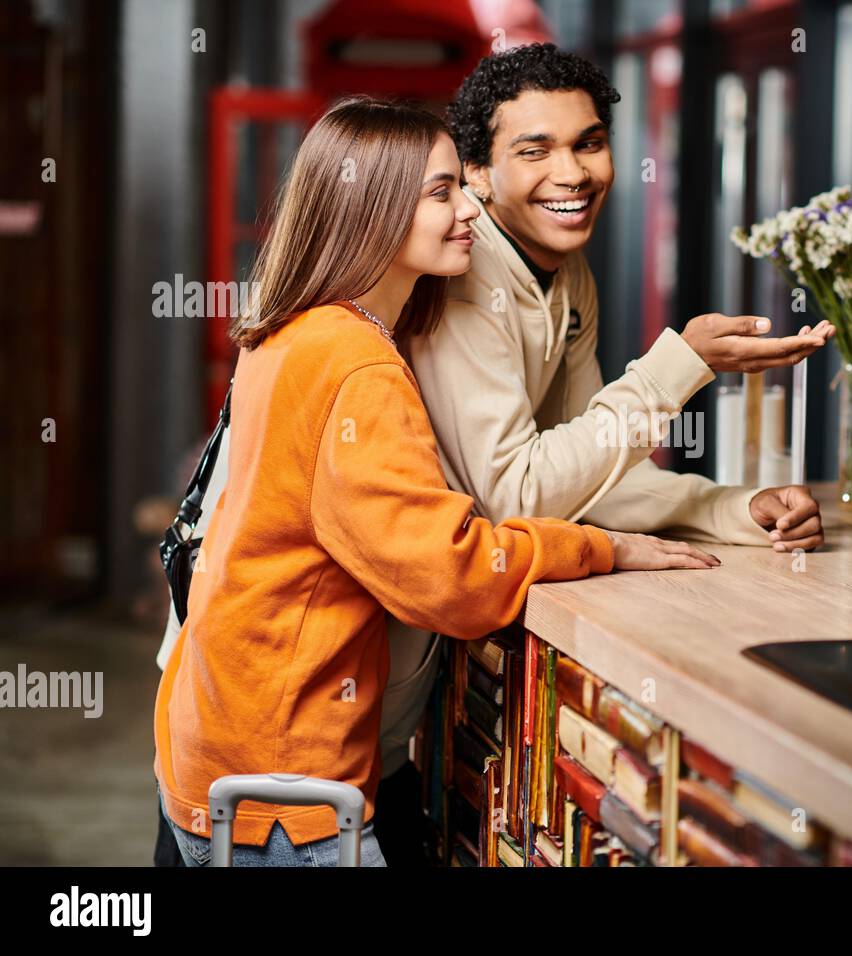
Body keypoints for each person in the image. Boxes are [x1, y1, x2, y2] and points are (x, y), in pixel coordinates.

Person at [154, 96, 719, 867]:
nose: (470, 214)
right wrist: (597, 549)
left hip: (214, 736)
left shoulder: (292, 328)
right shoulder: (357, 365)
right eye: (442, 193)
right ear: (373, 207)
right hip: (285, 780)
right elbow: (449, 577)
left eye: (465, 188)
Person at [409, 43, 834, 552]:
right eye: (534, 151)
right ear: (476, 173)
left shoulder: (569, 274)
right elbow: (514, 498)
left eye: (588, 144)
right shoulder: (461, 278)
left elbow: (587, 475)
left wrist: (736, 509)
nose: (572, 174)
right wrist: (678, 365)